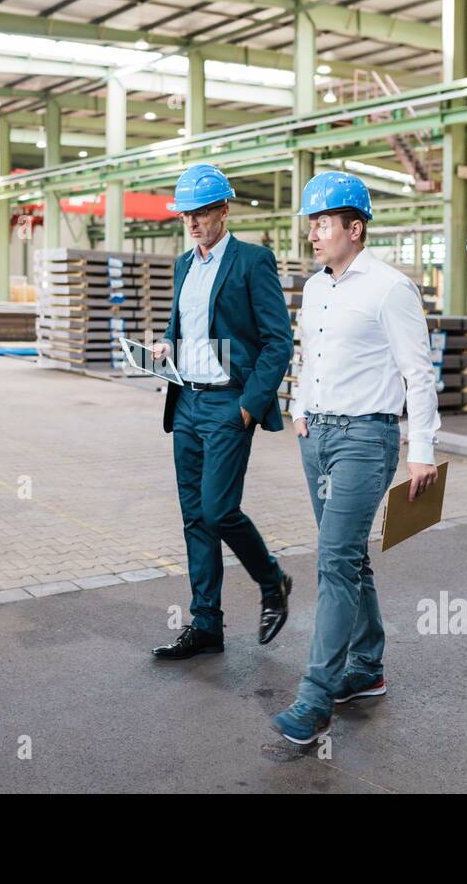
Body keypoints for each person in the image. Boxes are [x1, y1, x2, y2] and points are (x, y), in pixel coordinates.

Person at [269, 170, 441, 744]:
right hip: (316, 437)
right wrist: (300, 408)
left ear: (355, 227)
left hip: (367, 440)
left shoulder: (391, 288)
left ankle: (315, 699)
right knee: (351, 559)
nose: (312, 235)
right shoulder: (316, 288)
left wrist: (422, 452)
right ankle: (366, 669)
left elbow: (419, 373)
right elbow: (309, 356)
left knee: (334, 561)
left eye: (321, 224)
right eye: (311, 225)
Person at [149, 164, 296, 660]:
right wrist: (165, 345)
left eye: (202, 212)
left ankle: (272, 579)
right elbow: (185, 326)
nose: (193, 222)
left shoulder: (253, 261)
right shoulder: (183, 265)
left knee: (218, 509)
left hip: (228, 404)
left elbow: (279, 341)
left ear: (223, 210)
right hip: (186, 400)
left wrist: (250, 409)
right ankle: (206, 623)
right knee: (195, 517)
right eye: (186, 214)